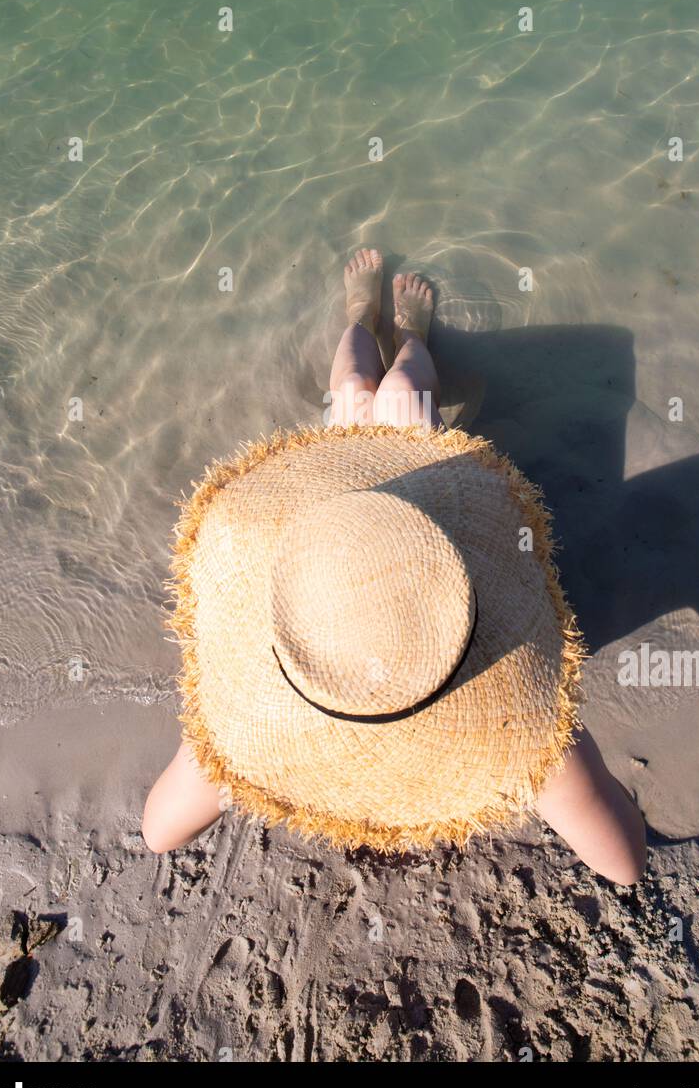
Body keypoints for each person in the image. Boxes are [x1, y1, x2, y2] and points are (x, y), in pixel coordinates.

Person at [143, 250, 646, 885]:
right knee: (402, 394)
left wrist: (231, 771)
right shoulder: (533, 738)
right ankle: (406, 338)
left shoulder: (239, 739)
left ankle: (366, 318)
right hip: (412, 556)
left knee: (355, 391)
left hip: (350, 532)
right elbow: (623, 866)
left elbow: (157, 833)